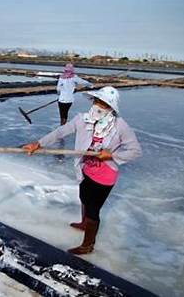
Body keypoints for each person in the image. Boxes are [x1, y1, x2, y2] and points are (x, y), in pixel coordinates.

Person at [22, 86, 141, 255]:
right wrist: (38, 143)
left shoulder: (120, 126)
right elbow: (60, 131)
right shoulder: (82, 119)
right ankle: (84, 223)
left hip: (105, 175)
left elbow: (135, 151)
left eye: (104, 104)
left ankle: (88, 245)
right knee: (84, 196)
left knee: (93, 209)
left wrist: (111, 155)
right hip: (85, 168)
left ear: (111, 107)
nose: (99, 106)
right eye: (97, 101)